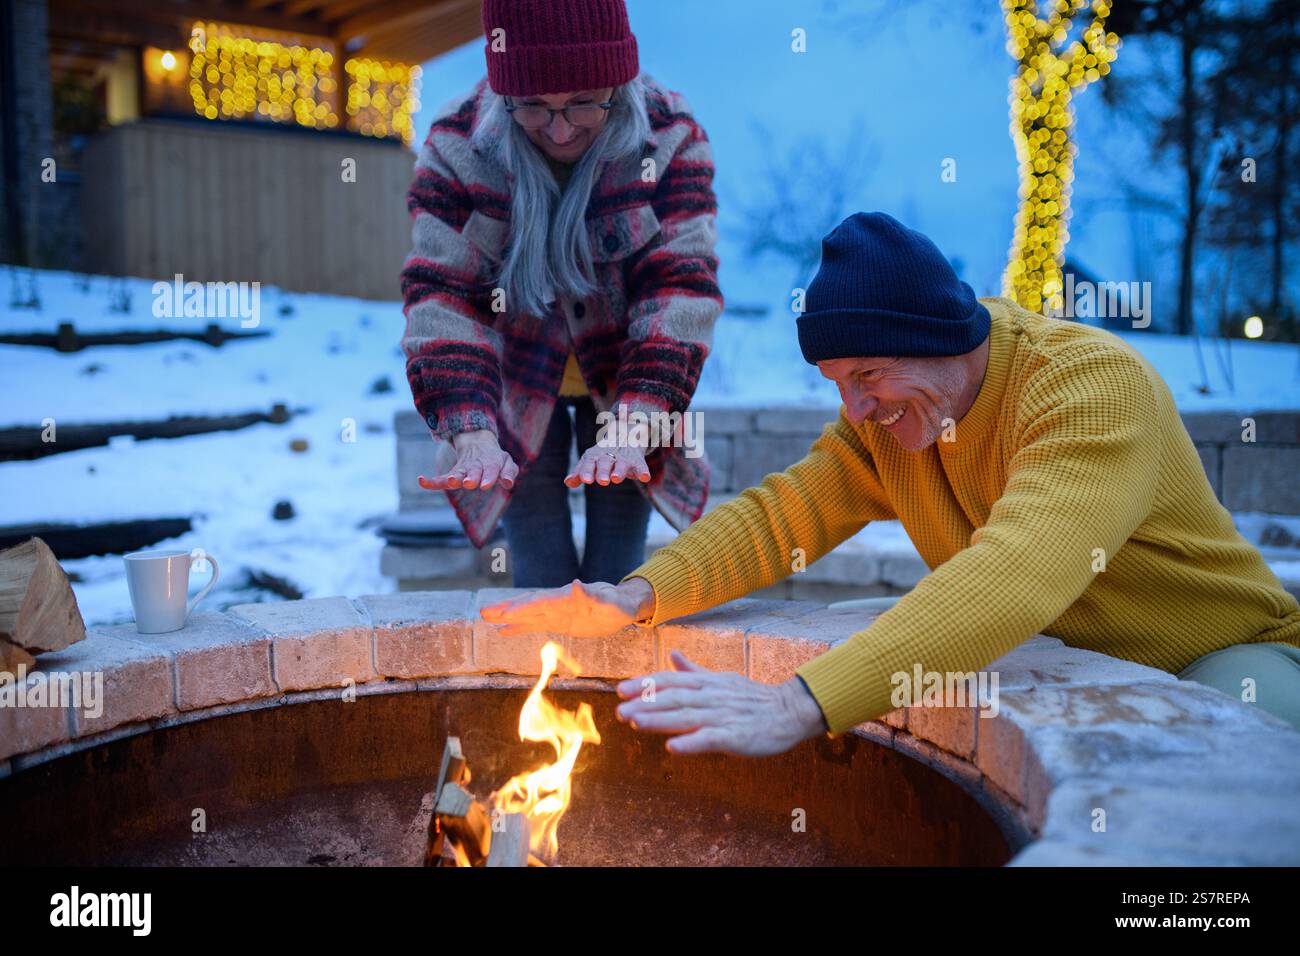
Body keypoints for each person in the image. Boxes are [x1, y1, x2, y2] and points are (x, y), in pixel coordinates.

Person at [482, 212, 1300, 753]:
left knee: (1228, 737)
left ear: (944, 339)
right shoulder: (897, 420)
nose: (856, 407)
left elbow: (1018, 572)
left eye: (869, 373)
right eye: (838, 381)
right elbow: (783, 514)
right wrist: (636, 595)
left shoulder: (1089, 390)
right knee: (839, 624)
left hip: (1217, 652)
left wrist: (797, 705)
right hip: (1058, 647)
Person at [399, 0, 721, 587]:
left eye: (582, 104)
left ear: (617, 86)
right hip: (515, 386)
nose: (560, 128)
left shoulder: (670, 138)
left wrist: (634, 426)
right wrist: (471, 434)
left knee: (613, 582)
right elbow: (443, 297)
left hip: (630, 383)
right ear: (504, 97)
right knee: (541, 579)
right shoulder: (457, 145)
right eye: (534, 108)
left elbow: (679, 290)